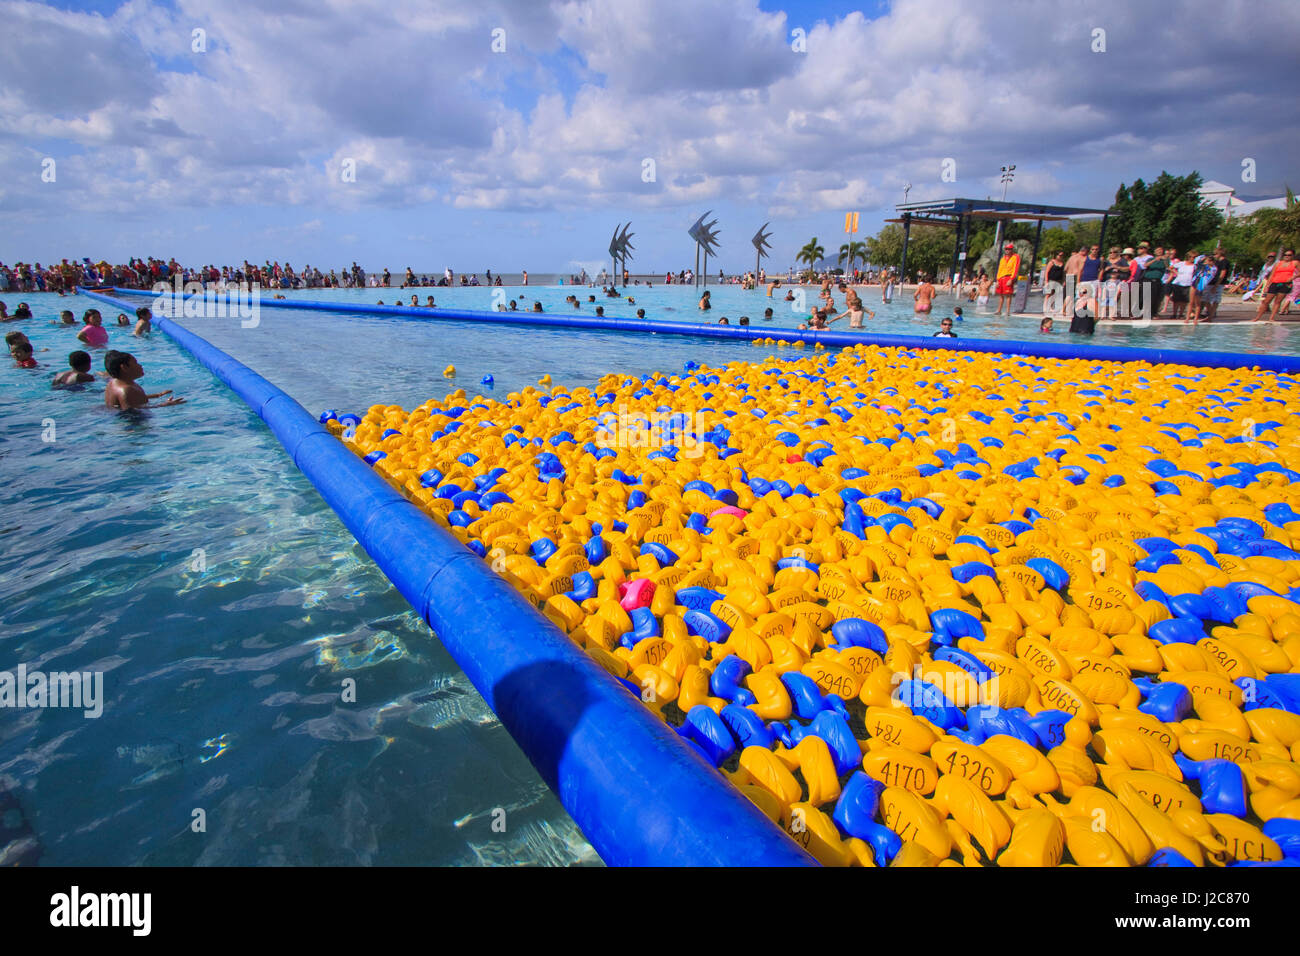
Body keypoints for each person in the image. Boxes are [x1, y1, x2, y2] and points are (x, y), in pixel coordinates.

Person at [103, 350, 184, 409]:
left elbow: (134, 400)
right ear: (124, 367)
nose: (140, 365)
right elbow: (135, 412)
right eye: (135, 363)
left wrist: (158, 395)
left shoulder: (113, 383)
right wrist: (166, 404)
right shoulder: (126, 390)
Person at [1256, 249, 1296, 323]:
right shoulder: (1278, 263)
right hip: (1275, 283)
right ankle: (1257, 317)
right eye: (1285, 255)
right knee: (1266, 301)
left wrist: (1293, 277)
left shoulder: (1295, 263)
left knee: (1277, 301)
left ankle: (1272, 318)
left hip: (1285, 284)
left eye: (1289, 255)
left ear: (1292, 256)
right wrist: (1267, 286)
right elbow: (1272, 275)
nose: (1287, 256)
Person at [993, 242, 1020, 316]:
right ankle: (999, 310)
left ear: (1012, 249)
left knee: (1008, 295)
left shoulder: (1015, 257)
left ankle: (1007, 311)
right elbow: (999, 269)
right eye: (1006, 249)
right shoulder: (1002, 259)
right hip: (1001, 278)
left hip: (1008, 277)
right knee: (1001, 295)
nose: (1007, 250)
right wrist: (997, 280)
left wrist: (1011, 279)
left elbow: (1015, 268)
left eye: (1009, 249)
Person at [1044, 252, 1066, 317]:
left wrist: (1063, 281)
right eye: (1059, 255)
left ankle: (1050, 306)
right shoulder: (1052, 262)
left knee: (1055, 294)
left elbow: (1063, 273)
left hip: (1058, 281)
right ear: (1056, 255)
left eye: (1062, 255)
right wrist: (1046, 280)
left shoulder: (1062, 264)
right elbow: (1047, 271)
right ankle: (1045, 307)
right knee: (1048, 294)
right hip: (1051, 279)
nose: (1060, 257)